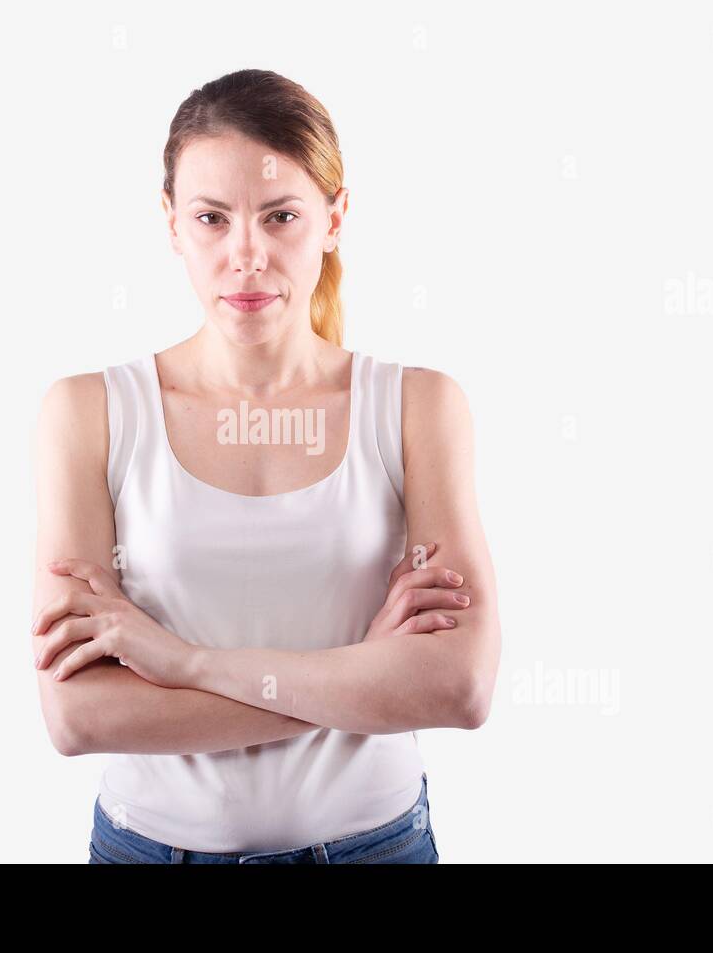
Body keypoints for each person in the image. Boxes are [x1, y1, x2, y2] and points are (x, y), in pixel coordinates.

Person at [31, 69, 501, 863]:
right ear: (171, 224)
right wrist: (364, 679)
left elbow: (458, 688)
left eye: (280, 215)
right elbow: (79, 717)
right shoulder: (89, 412)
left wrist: (185, 664)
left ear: (334, 217)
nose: (245, 256)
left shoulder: (418, 406)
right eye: (211, 219)